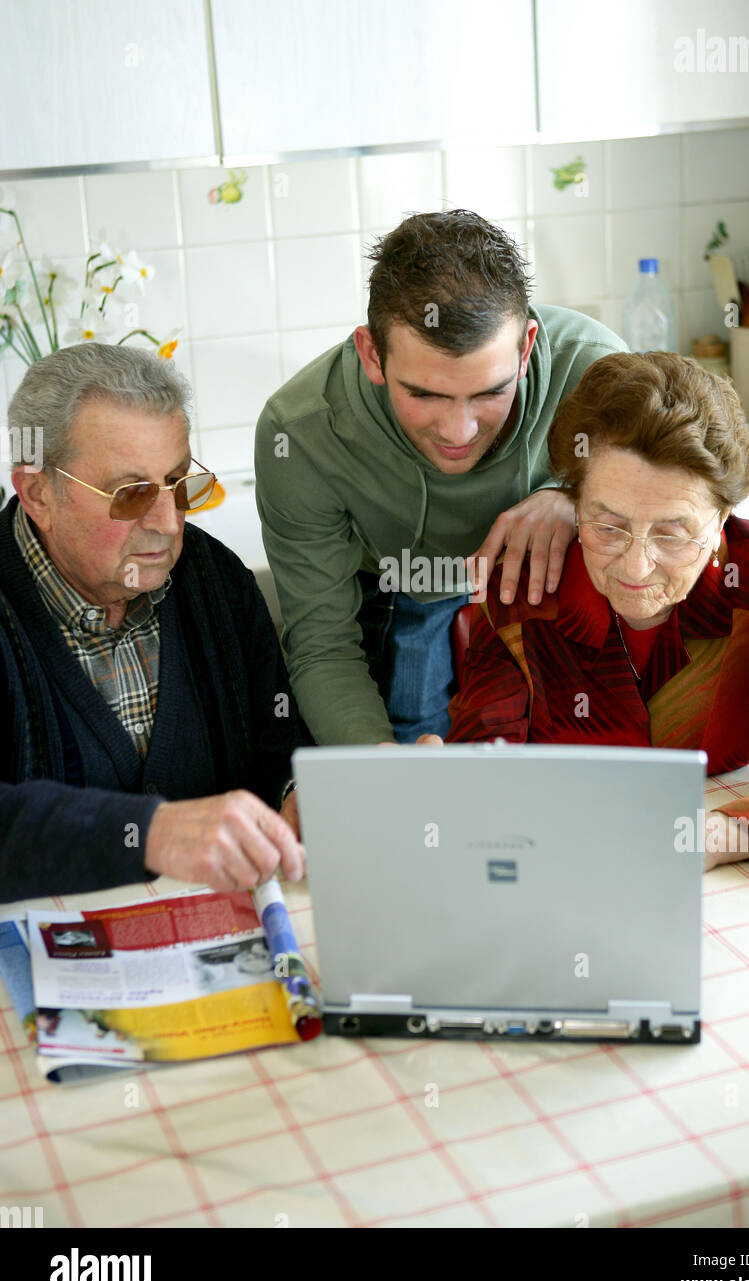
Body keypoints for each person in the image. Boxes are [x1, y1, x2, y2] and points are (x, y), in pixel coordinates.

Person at [446, 351, 749, 871]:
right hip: (581, 864)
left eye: (673, 532)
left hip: (743, 863)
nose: (637, 565)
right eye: (607, 526)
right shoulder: (525, 587)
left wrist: (729, 833)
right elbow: (483, 762)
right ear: (573, 502)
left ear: (722, 520)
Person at [255, 209, 626, 745]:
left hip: (545, 585)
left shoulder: (598, 371)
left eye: (490, 392)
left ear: (525, 349)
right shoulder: (300, 432)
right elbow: (323, 643)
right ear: (371, 355)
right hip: (395, 583)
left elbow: (691, 497)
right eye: (424, 394)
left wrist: (575, 495)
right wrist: (381, 768)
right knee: (405, 751)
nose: (459, 431)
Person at [1, 344, 307, 902]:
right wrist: (147, 832)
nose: (168, 524)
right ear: (39, 494)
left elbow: (277, 732)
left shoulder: (215, 581)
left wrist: (297, 792)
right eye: (132, 494)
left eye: (178, 483)